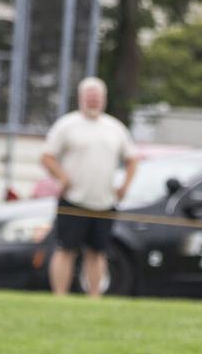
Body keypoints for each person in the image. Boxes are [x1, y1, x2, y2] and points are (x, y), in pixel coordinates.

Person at [40, 76, 138, 297]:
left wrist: (124, 186)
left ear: (104, 99)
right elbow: (47, 157)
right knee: (66, 249)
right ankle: (60, 296)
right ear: (81, 98)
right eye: (89, 96)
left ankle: (94, 296)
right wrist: (62, 178)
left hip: (103, 201)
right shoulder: (67, 125)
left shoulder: (115, 128)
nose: (93, 100)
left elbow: (132, 159)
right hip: (73, 199)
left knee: (98, 252)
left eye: (97, 97)